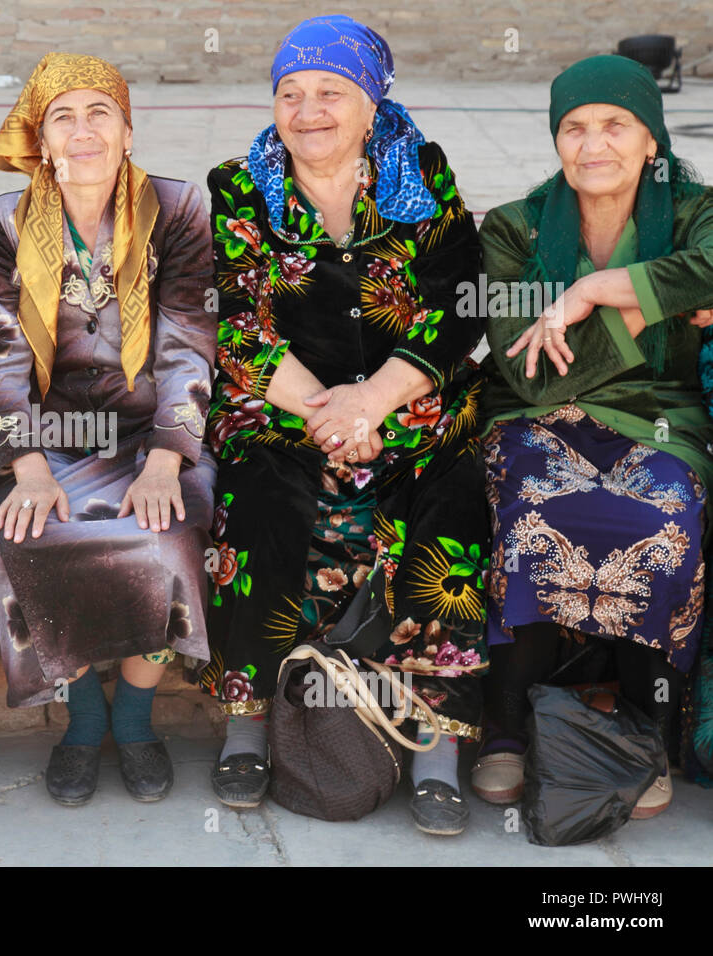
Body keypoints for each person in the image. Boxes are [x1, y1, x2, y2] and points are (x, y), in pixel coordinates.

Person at [198, 15, 489, 835]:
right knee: (259, 498)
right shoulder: (239, 187)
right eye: (290, 93)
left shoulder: (419, 173)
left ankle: (436, 745)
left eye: (331, 92)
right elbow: (235, 320)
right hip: (286, 406)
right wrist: (333, 412)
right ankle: (247, 723)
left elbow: (458, 302)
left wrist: (376, 400)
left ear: (371, 107)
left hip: (412, 402)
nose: (308, 111)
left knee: (452, 502)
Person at [0, 53, 217, 806]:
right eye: (63, 118)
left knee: (171, 540)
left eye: (99, 113)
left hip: (150, 435)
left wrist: (167, 458)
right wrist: (27, 464)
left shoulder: (177, 208)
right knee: (21, 546)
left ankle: (135, 720)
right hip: (40, 440)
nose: (83, 132)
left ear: (128, 130)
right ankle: (84, 720)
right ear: (41, 139)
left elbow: (187, 340)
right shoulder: (3, 221)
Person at [478, 54, 713, 820]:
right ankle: (506, 728)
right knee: (535, 510)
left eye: (615, 125)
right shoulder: (515, 227)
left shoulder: (695, 214)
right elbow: (532, 373)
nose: (592, 144)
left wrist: (597, 289)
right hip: (535, 416)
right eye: (574, 128)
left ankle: (644, 736)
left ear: (652, 140)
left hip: (659, 418)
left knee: (666, 520)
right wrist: (658, 301)